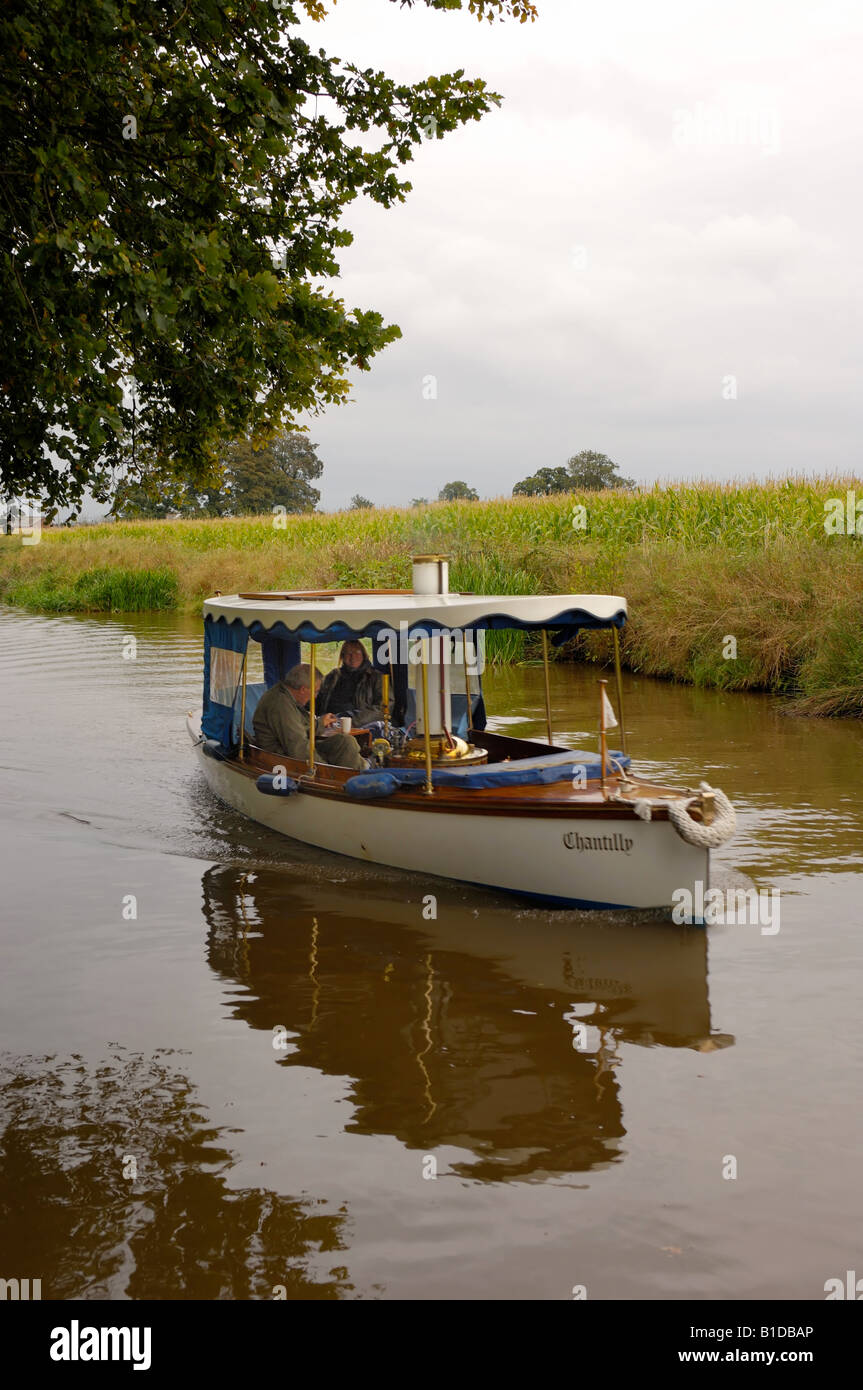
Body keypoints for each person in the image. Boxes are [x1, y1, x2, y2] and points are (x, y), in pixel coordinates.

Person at [252, 663, 366, 770]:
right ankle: (356, 778)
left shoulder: (286, 696)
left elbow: (300, 727)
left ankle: (361, 771)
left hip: (292, 749)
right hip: (281, 758)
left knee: (345, 741)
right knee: (346, 747)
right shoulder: (280, 704)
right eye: (315, 692)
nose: (315, 697)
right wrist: (326, 770)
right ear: (303, 690)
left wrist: (319, 724)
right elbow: (298, 747)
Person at [318, 640, 387, 726]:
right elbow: (318, 697)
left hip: (358, 724)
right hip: (328, 723)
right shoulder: (333, 676)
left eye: (357, 652)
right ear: (342, 656)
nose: (353, 656)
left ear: (364, 655)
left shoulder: (376, 677)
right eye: (348, 653)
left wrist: (353, 721)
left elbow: (383, 708)